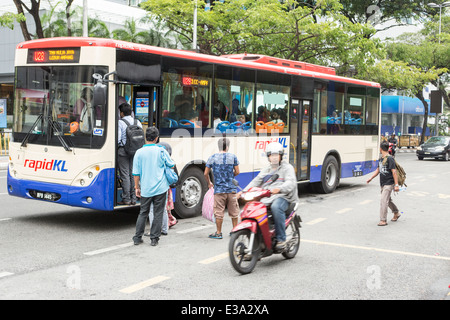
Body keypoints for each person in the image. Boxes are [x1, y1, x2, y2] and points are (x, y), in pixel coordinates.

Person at [238, 142, 298, 250]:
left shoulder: (287, 168)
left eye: (276, 155)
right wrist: (243, 191)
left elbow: (291, 183)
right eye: (272, 155)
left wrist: (280, 189)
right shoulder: (267, 169)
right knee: (253, 209)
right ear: (268, 157)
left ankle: (281, 239)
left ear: (281, 156)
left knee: (276, 207)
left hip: (284, 197)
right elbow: (256, 181)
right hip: (269, 197)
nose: (274, 158)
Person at [132, 127, 175, 246]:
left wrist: (137, 188)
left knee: (143, 212)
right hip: (161, 188)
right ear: (156, 138)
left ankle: (137, 237)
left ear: (146, 137)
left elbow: (136, 174)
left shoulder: (139, 152)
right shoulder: (161, 151)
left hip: (146, 188)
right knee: (158, 212)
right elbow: (171, 165)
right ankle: (154, 239)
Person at [204, 138, 240, 239]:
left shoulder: (212, 157)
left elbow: (205, 173)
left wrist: (209, 183)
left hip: (219, 190)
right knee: (234, 211)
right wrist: (230, 176)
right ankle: (235, 231)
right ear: (227, 147)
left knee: (219, 212)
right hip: (231, 189)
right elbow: (237, 171)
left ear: (218, 146)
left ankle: (219, 232)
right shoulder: (233, 157)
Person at [366, 141, 401, 226]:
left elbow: (394, 172)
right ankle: (396, 212)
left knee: (383, 200)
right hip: (383, 183)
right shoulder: (381, 158)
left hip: (389, 183)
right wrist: (371, 178)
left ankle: (383, 220)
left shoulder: (390, 158)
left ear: (381, 149)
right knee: (387, 200)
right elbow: (378, 170)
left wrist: (396, 185)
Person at [117, 103, 142, 205]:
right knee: (132, 174)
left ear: (121, 113)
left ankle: (126, 198)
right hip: (135, 151)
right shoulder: (137, 122)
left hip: (123, 151)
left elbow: (118, 139)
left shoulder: (120, 122)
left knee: (125, 175)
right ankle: (134, 198)